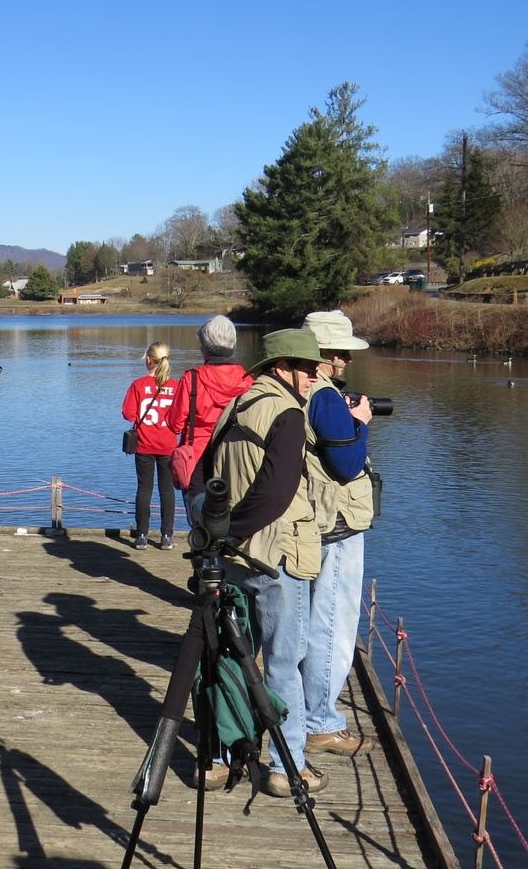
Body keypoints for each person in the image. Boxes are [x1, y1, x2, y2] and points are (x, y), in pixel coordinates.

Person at [203, 328, 328, 797]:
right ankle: (286, 765)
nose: (315, 377)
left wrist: (222, 533)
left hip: (231, 558)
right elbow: (276, 493)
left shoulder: (235, 406)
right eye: (308, 368)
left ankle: (220, 759)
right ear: (282, 369)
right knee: (283, 662)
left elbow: (203, 473)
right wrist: (240, 530)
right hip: (276, 557)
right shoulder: (289, 412)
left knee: (231, 658)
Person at [300, 310, 377, 757]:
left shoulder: (299, 388)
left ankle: (307, 712)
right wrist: (361, 421)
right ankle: (321, 722)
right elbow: (347, 465)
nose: (347, 359)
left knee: (313, 617)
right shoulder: (326, 397)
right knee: (333, 621)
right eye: (340, 351)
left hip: (313, 521)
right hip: (338, 525)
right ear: (323, 355)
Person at [166, 316, 253, 510]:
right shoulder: (247, 379)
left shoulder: (192, 378)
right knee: (232, 515)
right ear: (232, 345)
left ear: (204, 347)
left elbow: (175, 424)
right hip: (234, 455)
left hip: (196, 458)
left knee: (200, 519)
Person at [121, 342, 179, 549]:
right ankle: (166, 537)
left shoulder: (138, 385)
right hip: (168, 445)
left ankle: (142, 535)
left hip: (144, 444)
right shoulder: (175, 386)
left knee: (144, 489)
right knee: (167, 491)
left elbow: (128, 413)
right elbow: (181, 420)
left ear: (148, 360)